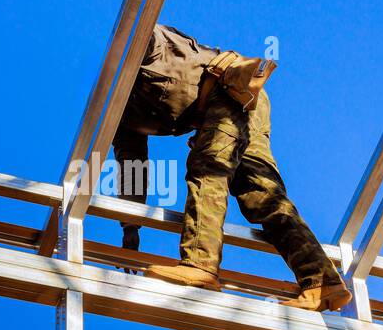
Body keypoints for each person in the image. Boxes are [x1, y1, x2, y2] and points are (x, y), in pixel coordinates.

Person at [111, 24, 351, 312]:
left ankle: (200, 265)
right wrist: (130, 228)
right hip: (231, 103)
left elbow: (144, 23)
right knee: (259, 192)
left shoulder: (145, 47)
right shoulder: (119, 110)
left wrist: (133, 31)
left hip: (232, 89)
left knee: (209, 169)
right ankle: (322, 281)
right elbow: (132, 167)